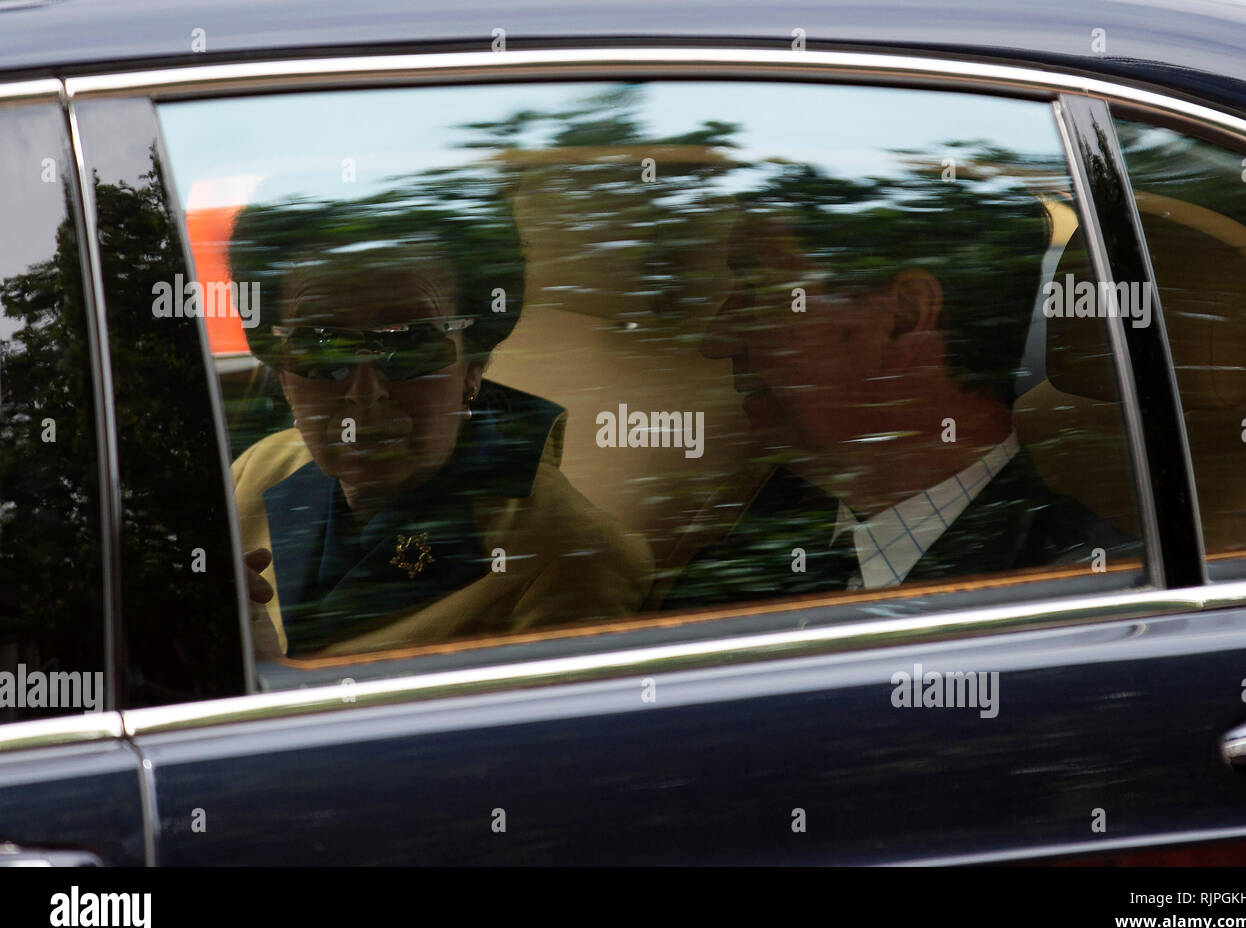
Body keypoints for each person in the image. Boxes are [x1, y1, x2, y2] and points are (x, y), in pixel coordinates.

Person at [662, 179, 1139, 609]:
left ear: (906, 317)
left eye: (758, 289)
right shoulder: (762, 523)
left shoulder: (1073, 602)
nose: (716, 339)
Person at [228, 197, 653, 658]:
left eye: (409, 345)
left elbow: (505, 732)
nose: (364, 392)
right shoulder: (259, 469)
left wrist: (270, 679)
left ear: (474, 364)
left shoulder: (575, 560)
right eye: (321, 346)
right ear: (282, 370)